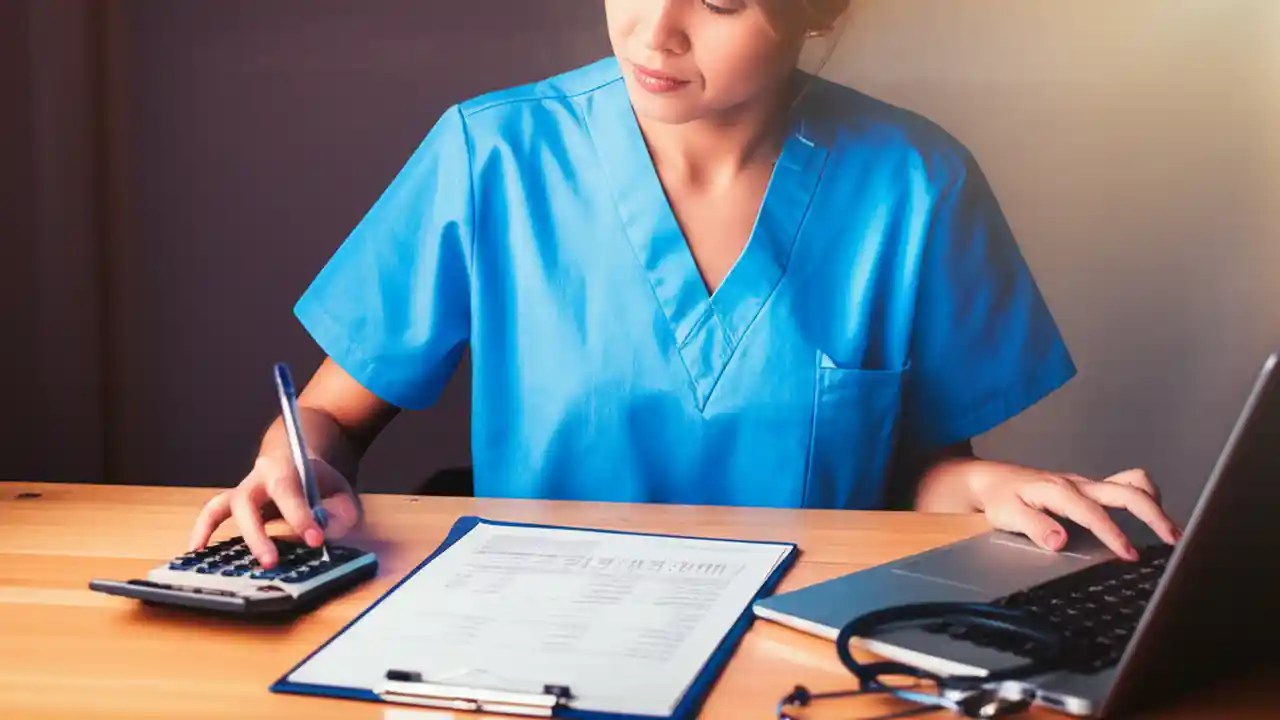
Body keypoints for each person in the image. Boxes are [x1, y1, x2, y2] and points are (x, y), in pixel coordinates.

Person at [190, 0, 1179, 569]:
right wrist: (303, 467)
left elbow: (917, 475)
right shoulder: (491, 153)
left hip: (796, 659)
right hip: (538, 648)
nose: (652, 31)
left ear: (814, 8)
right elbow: (331, 416)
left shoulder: (912, 184)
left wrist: (995, 491)